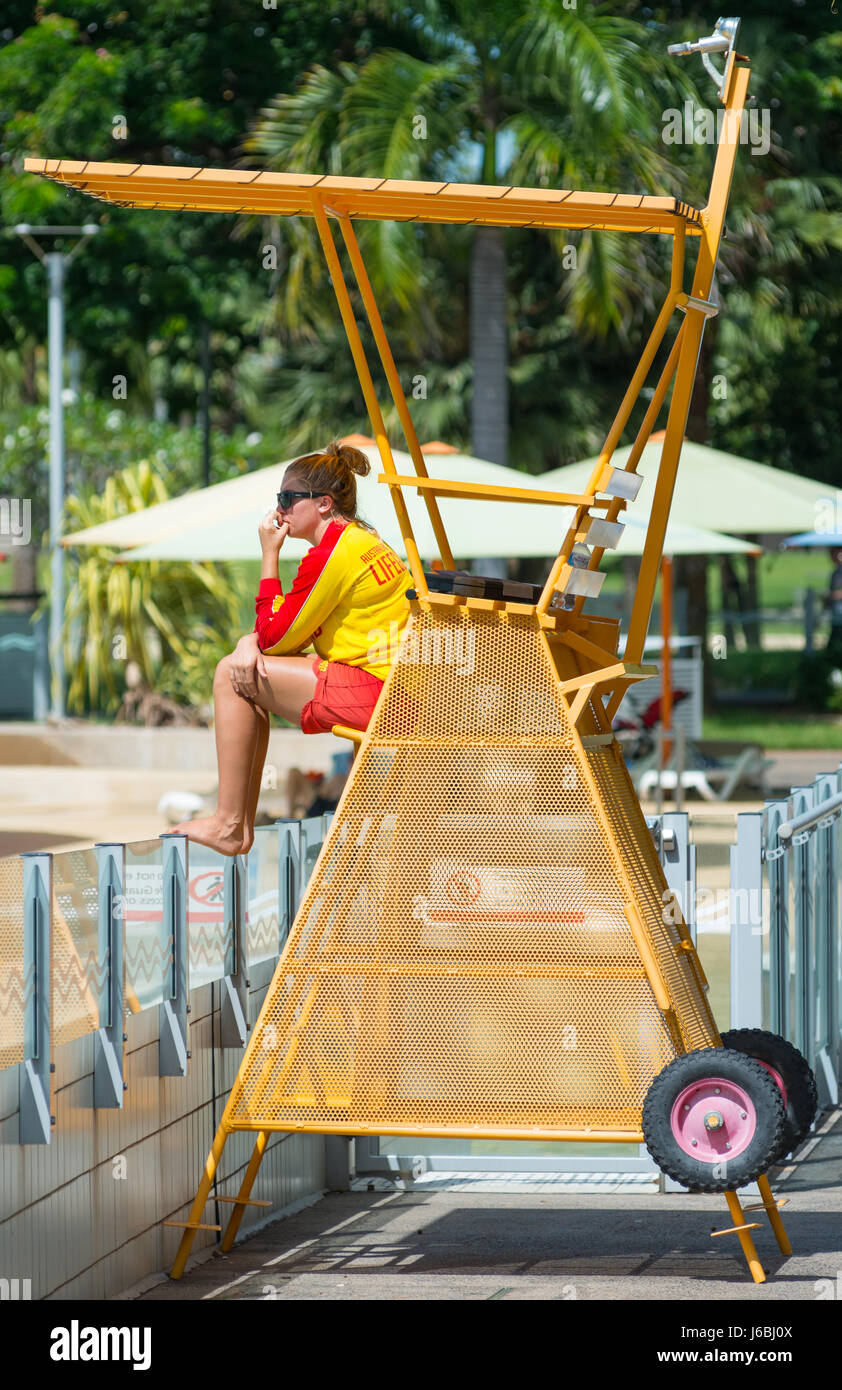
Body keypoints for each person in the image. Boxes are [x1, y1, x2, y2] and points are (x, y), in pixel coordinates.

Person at [172, 438, 412, 856]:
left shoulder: (333, 549)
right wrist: (254, 643)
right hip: (399, 690)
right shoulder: (363, 540)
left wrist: (269, 555)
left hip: (380, 693)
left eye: (288, 498)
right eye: (278, 498)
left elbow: (274, 636)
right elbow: (287, 635)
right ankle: (234, 825)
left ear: (323, 504)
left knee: (231, 677)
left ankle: (230, 824)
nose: (278, 509)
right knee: (244, 669)